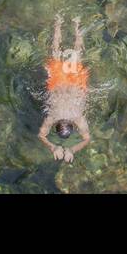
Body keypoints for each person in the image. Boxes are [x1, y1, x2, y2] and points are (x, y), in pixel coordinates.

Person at [38, 15, 91, 164]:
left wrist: (69, 149)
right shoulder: (52, 117)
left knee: (77, 53)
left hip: (75, 85)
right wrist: (54, 147)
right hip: (58, 83)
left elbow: (87, 138)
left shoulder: (78, 117)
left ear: (72, 126)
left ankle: (77, 23)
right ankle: (58, 23)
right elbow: (41, 136)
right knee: (56, 52)